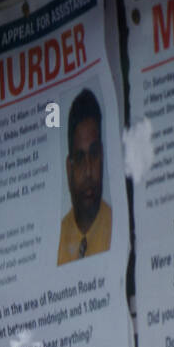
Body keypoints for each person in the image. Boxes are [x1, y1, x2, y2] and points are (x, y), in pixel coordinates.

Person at [56, 87, 113, 265]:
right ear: (69, 168)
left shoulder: (119, 227)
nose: (89, 171)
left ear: (102, 157)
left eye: (94, 154)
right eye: (80, 159)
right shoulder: (55, 239)